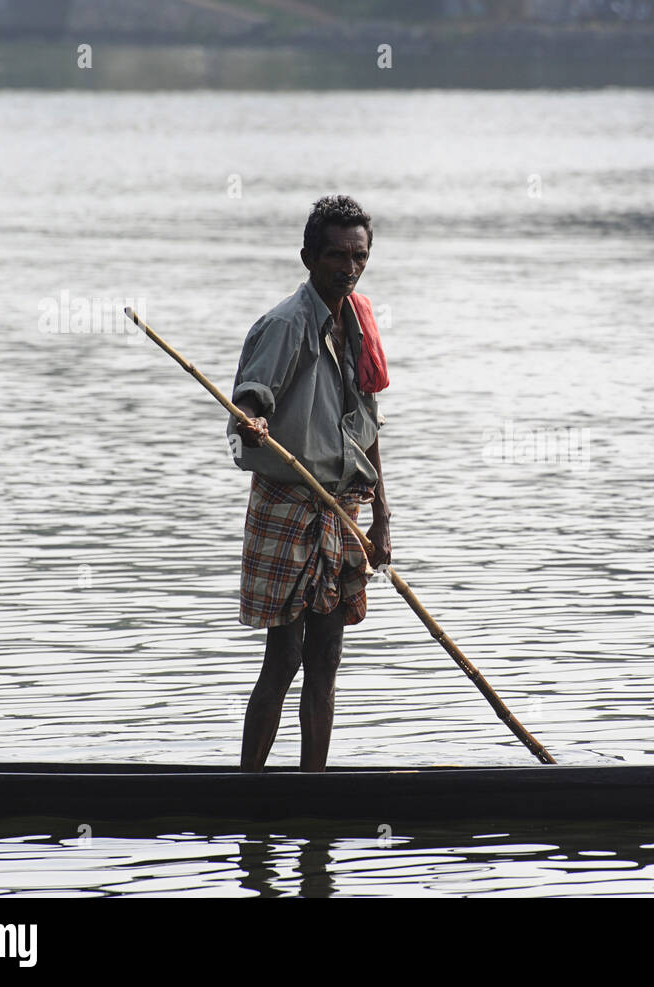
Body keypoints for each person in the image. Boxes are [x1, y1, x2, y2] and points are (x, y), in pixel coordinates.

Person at [227, 194, 392, 772]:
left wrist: (381, 517)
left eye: (359, 256)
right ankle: (250, 788)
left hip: (343, 509)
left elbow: (366, 425)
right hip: (292, 504)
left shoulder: (359, 325)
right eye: (336, 257)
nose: (349, 268)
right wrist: (253, 424)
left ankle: (311, 789)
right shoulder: (284, 326)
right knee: (285, 657)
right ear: (308, 258)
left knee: (327, 660)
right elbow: (248, 406)